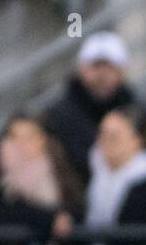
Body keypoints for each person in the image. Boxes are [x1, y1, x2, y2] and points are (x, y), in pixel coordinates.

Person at [43, 32, 138, 192]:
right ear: (81, 69)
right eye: (96, 66)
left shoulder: (134, 109)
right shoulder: (61, 115)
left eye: (109, 67)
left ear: (121, 72)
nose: (102, 75)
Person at [0, 113, 84, 243]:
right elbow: (6, 211)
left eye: (28, 137)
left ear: (42, 140)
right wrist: (50, 219)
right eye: (14, 137)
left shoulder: (60, 171)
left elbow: (77, 205)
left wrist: (66, 218)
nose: (21, 145)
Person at [83, 104, 146, 227]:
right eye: (102, 135)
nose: (104, 142)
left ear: (138, 140)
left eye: (113, 137)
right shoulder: (96, 167)